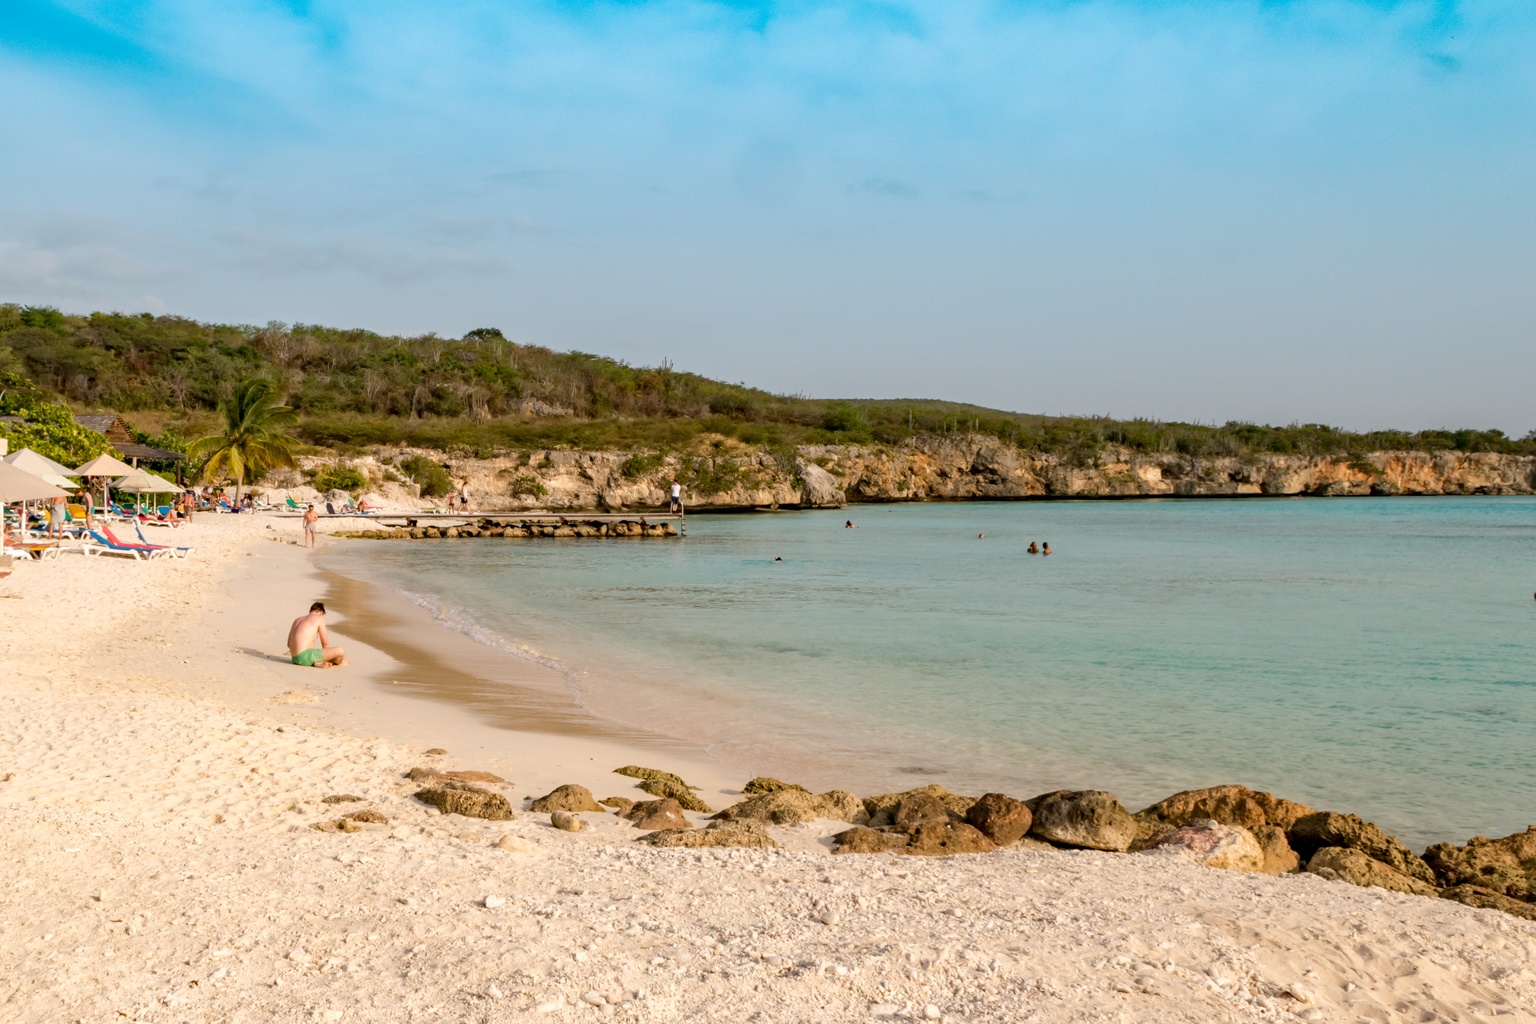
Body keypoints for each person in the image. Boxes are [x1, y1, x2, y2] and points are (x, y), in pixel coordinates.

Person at [287, 601, 349, 669]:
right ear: (321, 613)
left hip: (294, 659)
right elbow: (325, 643)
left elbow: (289, 644)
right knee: (340, 651)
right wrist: (329, 656)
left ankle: (316, 662)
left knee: (313, 652)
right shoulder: (319, 618)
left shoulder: (297, 620)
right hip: (304, 657)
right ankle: (338, 662)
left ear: (310, 611)